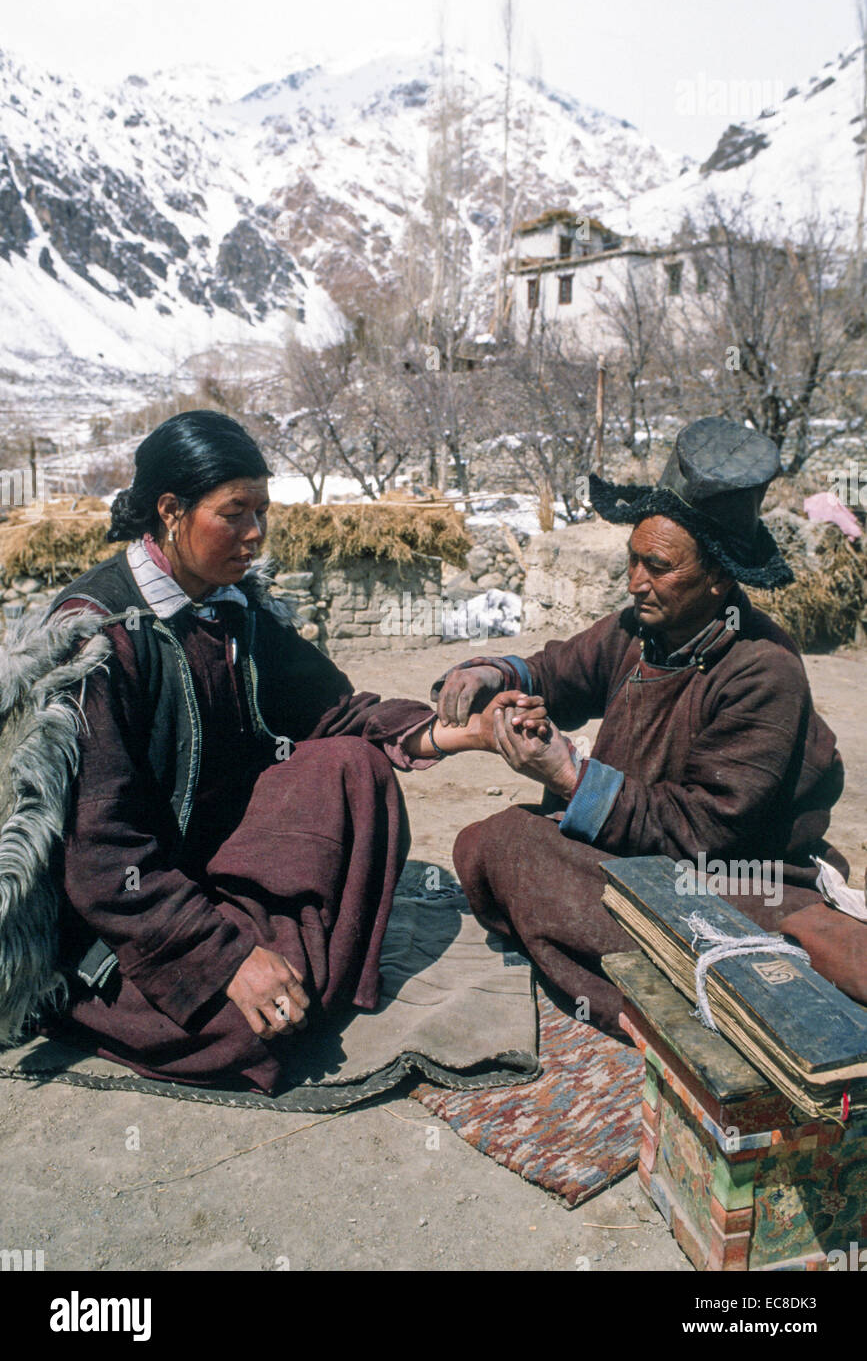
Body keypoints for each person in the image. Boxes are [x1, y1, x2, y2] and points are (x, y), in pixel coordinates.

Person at [47, 410, 544, 1092]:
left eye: (262, 512)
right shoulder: (96, 637)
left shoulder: (230, 611)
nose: (254, 535)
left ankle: (283, 972)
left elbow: (334, 713)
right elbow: (99, 855)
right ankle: (113, 998)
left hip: (208, 862)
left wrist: (473, 731)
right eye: (235, 513)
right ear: (170, 510)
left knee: (351, 765)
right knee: (243, 1035)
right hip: (123, 909)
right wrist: (225, 961)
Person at [434, 419, 852, 1036]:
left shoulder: (765, 670)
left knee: (517, 852)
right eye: (632, 559)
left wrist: (572, 778)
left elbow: (701, 830)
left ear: (718, 577)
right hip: (633, 849)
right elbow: (560, 671)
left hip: (730, 874)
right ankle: (629, 955)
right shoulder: (639, 629)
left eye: (656, 567)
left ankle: (663, 1002)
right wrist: (494, 673)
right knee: (487, 844)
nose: (635, 582)